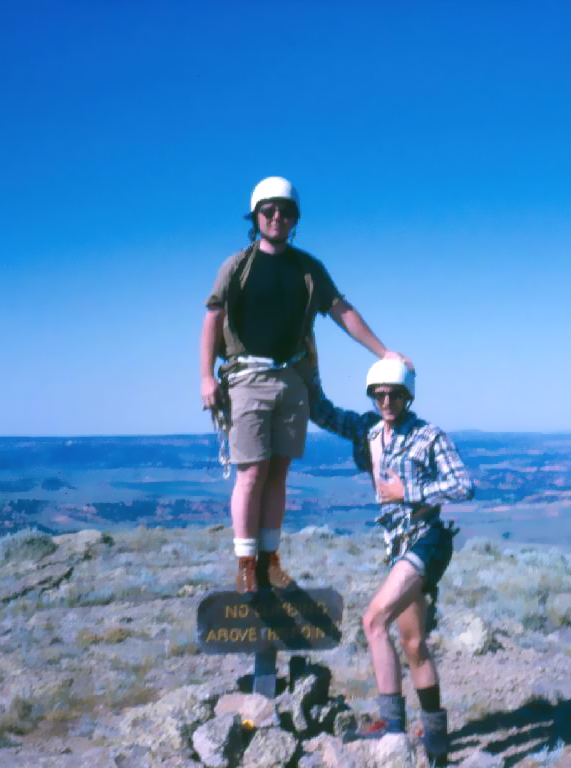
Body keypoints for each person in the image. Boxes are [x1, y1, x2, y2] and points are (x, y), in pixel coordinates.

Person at [200, 176, 410, 594]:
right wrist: (206, 375)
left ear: (294, 219)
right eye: (269, 210)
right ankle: (246, 566)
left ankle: (270, 560)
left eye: (285, 211)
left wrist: (384, 353)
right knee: (251, 472)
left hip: (293, 379)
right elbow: (213, 318)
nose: (277, 217)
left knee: (278, 473)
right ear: (256, 217)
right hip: (247, 378)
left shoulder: (307, 269)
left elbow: (342, 311)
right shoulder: (236, 267)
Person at [309, 359, 474, 767]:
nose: (386, 400)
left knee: (373, 621)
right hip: (397, 546)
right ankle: (436, 746)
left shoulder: (428, 436)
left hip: (427, 539)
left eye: (394, 394)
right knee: (414, 644)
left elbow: (463, 485)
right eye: (378, 393)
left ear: (408, 396)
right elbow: (322, 411)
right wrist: (306, 361)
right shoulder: (367, 431)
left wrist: (409, 489)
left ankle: (392, 726)